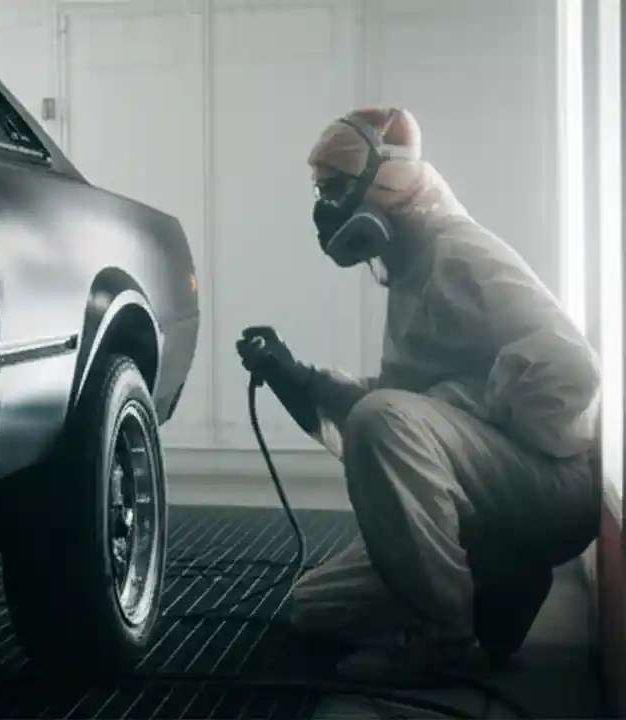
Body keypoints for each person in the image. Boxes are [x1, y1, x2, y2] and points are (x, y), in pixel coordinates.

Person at [236, 107, 602, 685]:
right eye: (320, 190)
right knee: (315, 606)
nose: (323, 209)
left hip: (553, 485)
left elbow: (574, 373)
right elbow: (405, 410)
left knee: (385, 421)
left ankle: (448, 640)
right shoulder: (410, 268)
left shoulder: (463, 255)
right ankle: (500, 582)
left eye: (334, 188)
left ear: (383, 187)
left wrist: (463, 407)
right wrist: (295, 377)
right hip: (499, 492)